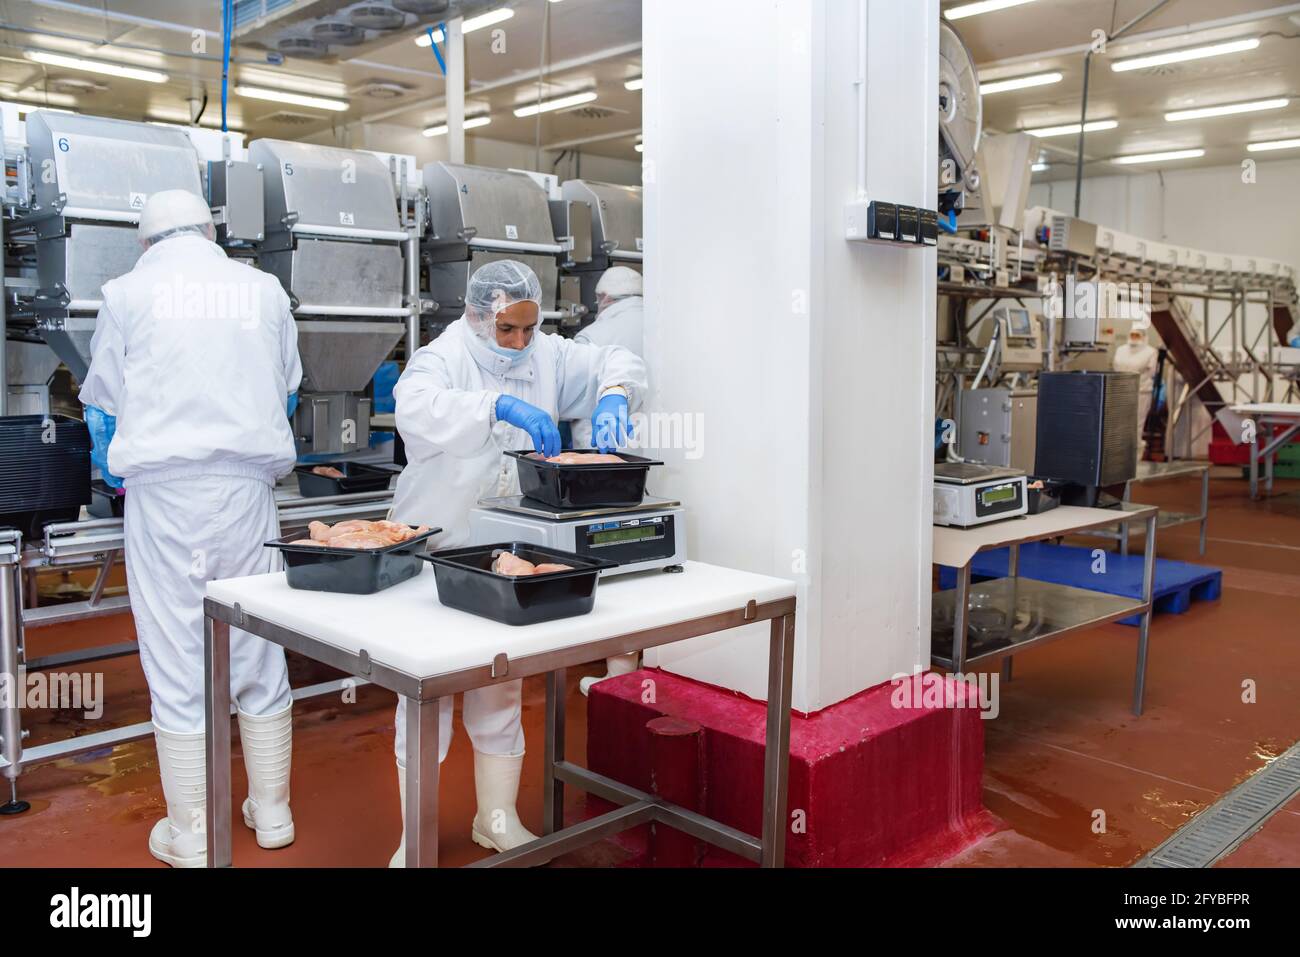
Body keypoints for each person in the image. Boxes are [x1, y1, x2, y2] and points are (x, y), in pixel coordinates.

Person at [388, 260, 647, 864]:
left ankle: (496, 820)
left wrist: (612, 396)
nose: (520, 343)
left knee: (502, 687)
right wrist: (494, 410)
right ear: (478, 317)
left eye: (530, 329)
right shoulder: (443, 356)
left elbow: (615, 361)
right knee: (426, 697)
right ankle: (414, 836)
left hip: (508, 546)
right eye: (507, 330)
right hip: (440, 549)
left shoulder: (547, 354)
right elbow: (414, 409)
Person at [79, 190, 302, 867]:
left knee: (179, 655)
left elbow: (105, 401)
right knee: (260, 646)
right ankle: (273, 811)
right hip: (247, 489)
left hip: (164, 493)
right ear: (212, 233)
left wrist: (112, 457)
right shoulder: (263, 289)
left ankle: (194, 830)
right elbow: (287, 385)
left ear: (146, 243)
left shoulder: (125, 293)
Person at [568, 266, 646, 695]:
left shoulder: (594, 335)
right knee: (652, 559)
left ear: (603, 299)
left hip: (602, 461)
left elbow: (568, 398)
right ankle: (648, 666)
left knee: (614, 562)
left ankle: (619, 675)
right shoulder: (668, 320)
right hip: (661, 458)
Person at [1113, 323, 1159, 458]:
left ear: (1143, 337)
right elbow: (1117, 367)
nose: (1133, 338)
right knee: (1120, 423)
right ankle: (1120, 453)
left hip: (1141, 392)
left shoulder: (1150, 352)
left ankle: (1135, 454)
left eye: (1137, 335)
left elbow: (1152, 372)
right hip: (1122, 391)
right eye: (1132, 334)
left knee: (1137, 424)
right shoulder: (1121, 349)